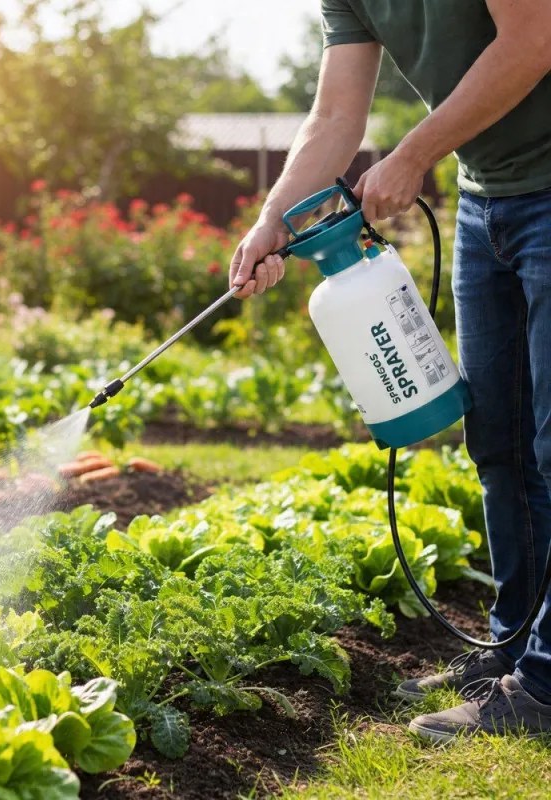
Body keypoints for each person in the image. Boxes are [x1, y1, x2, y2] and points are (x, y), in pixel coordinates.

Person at [229, 0, 551, 743]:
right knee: (498, 441)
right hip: (487, 200)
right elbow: (336, 113)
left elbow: (534, 40)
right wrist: (272, 219)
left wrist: (411, 155)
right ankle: (515, 650)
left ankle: (549, 682)